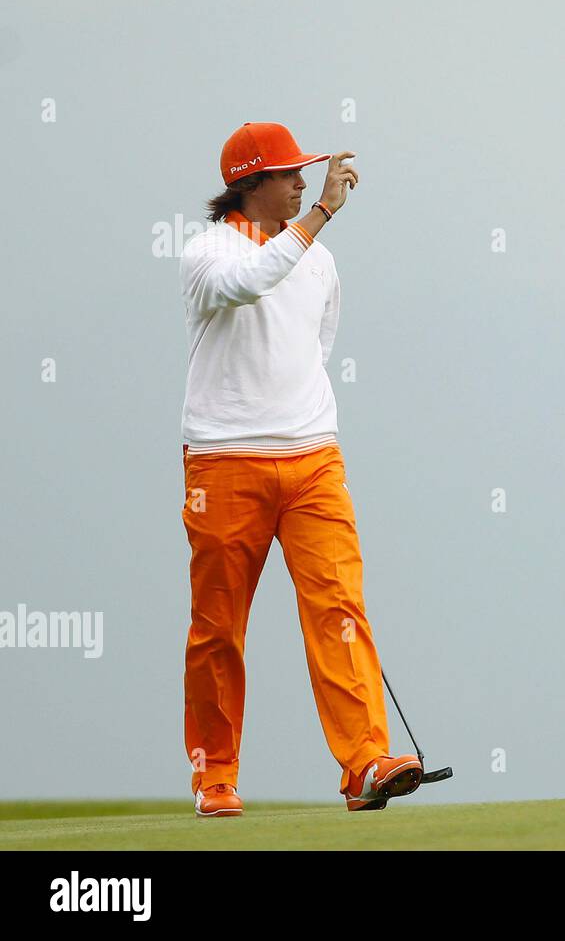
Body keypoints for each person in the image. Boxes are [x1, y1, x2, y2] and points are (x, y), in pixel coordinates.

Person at [179, 122, 422, 816]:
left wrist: (314, 227)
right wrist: (321, 215)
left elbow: (316, 346)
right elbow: (251, 284)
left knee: (339, 608)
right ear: (251, 182)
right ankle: (215, 775)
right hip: (223, 462)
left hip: (314, 457)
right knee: (219, 626)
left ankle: (366, 764)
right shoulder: (206, 252)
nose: (302, 182)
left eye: (304, 174)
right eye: (289, 173)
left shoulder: (319, 261)